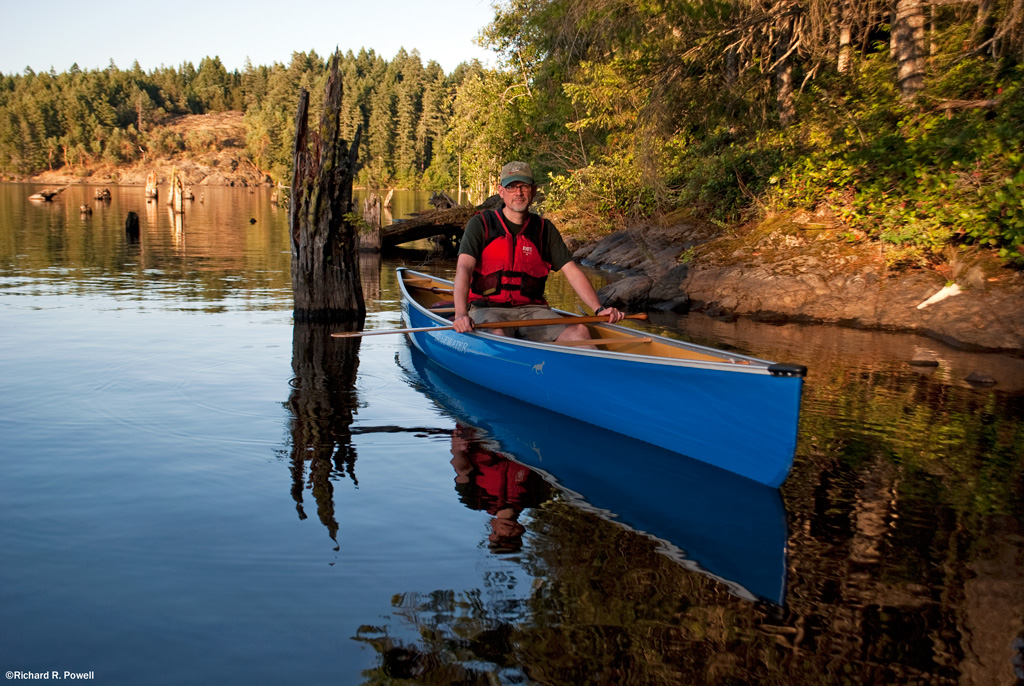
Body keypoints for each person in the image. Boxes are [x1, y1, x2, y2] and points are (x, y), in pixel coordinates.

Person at [452, 161, 625, 343]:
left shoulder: (545, 229)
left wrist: (599, 309)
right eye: (511, 187)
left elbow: (572, 272)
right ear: (501, 191)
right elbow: (464, 269)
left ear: (533, 190)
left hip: (532, 311)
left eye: (524, 186)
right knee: (498, 336)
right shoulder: (481, 224)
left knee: (579, 332)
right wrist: (461, 314)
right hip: (487, 309)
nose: (518, 193)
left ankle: (590, 369)